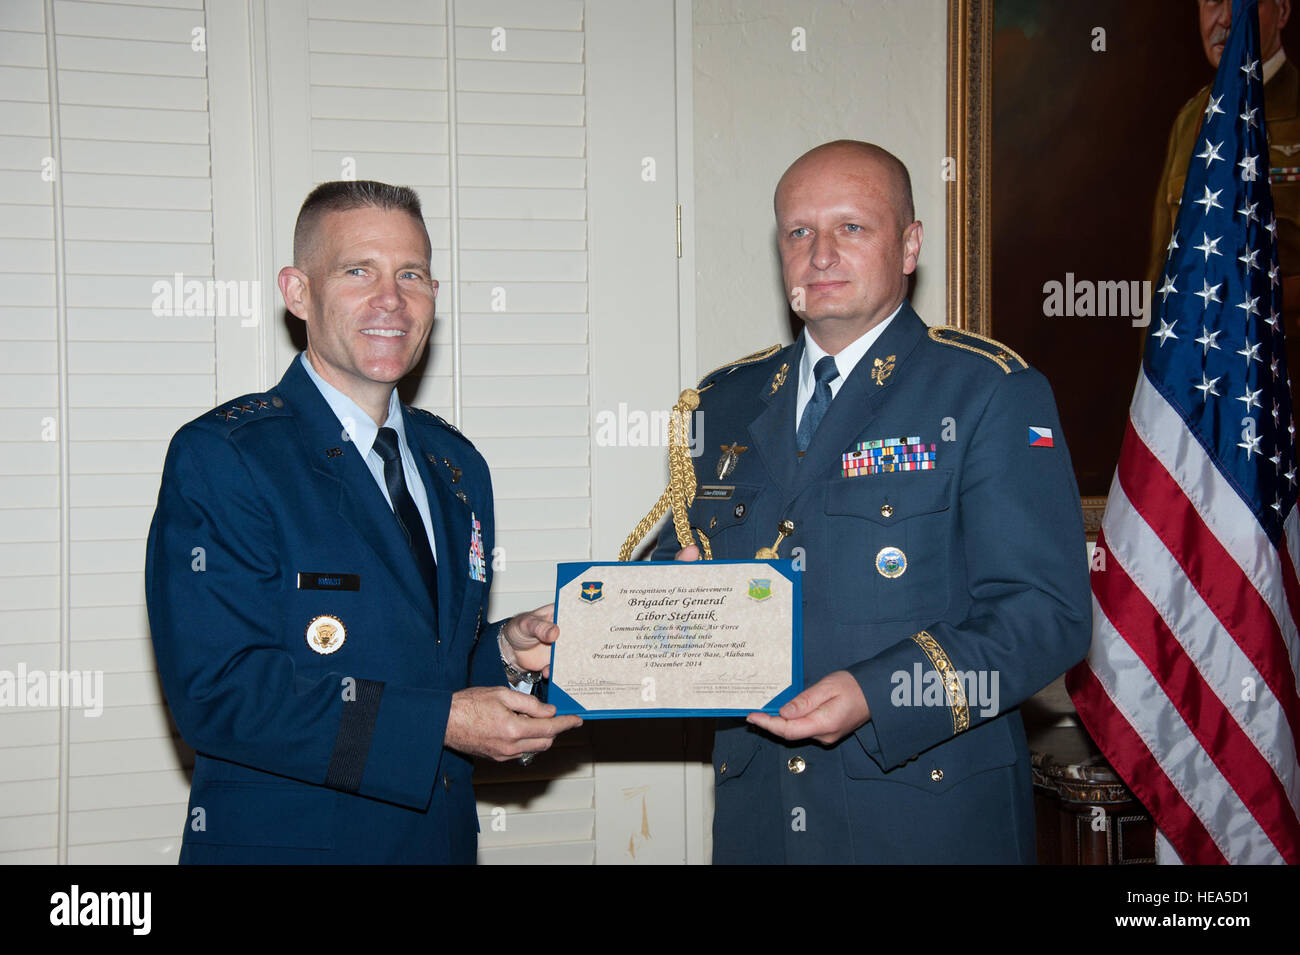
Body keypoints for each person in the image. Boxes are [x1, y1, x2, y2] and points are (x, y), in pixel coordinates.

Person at [655, 141, 1091, 863]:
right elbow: (678, 573)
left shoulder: (987, 390)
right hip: (760, 820)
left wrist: (879, 693)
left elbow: (1046, 615)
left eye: (851, 227)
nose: (820, 253)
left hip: (926, 820)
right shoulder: (724, 401)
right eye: (799, 232)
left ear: (910, 244)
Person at [144, 180, 582, 863]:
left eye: (412, 274)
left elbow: (416, 658)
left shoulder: (457, 466)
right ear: (298, 292)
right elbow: (218, 691)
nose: (391, 299)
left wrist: (501, 651)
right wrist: (442, 722)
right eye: (359, 271)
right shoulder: (226, 457)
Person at [1150, 0, 1300, 374]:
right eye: (1212, 1)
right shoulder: (1190, 121)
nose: (1225, 18)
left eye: (1242, 2)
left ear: (1282, 11)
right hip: (1196, 388)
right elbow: (1160, 272)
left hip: (1284, 388)